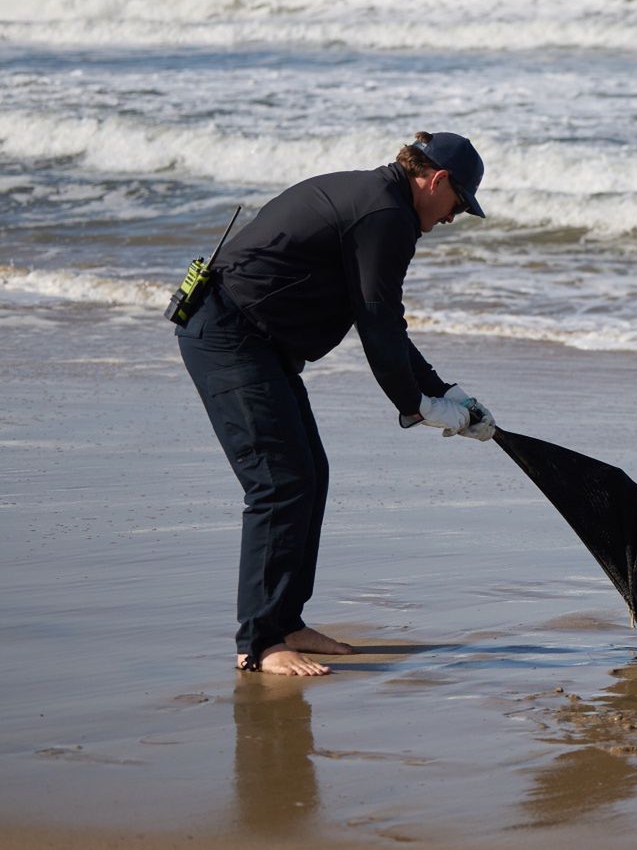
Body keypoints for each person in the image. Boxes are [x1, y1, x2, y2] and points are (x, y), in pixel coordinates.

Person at [177, 132, 498, 676]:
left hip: (251, 338)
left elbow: (382, 321)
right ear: (437, 180)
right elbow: (378, 326)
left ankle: (285, 621)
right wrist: (418, 406)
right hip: (229, 333)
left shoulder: (380, 201)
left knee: (309, 475)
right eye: (458, 204)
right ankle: (259, 642)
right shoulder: (386, 216)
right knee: (279, 484)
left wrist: (442, 392)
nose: (453, 218)